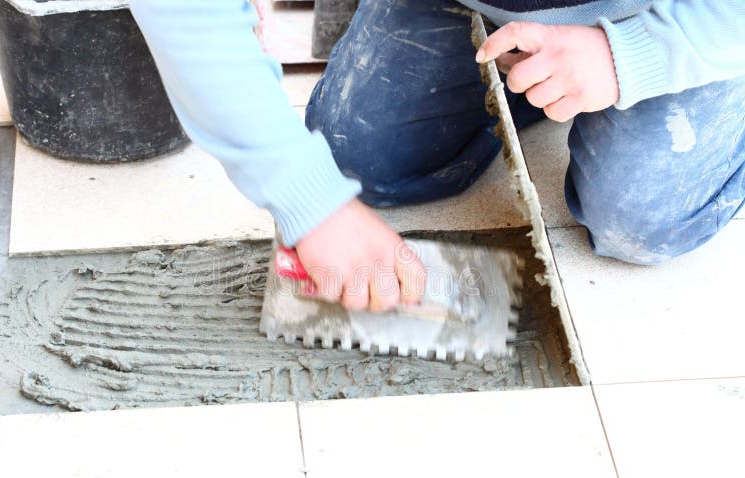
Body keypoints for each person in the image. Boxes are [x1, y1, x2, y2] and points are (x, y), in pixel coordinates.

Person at [130, 0, 745, 313]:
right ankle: (538, 76)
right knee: (352, 154)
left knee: (637, 221)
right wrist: (310, 199)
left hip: (682, 16)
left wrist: (637, 55)